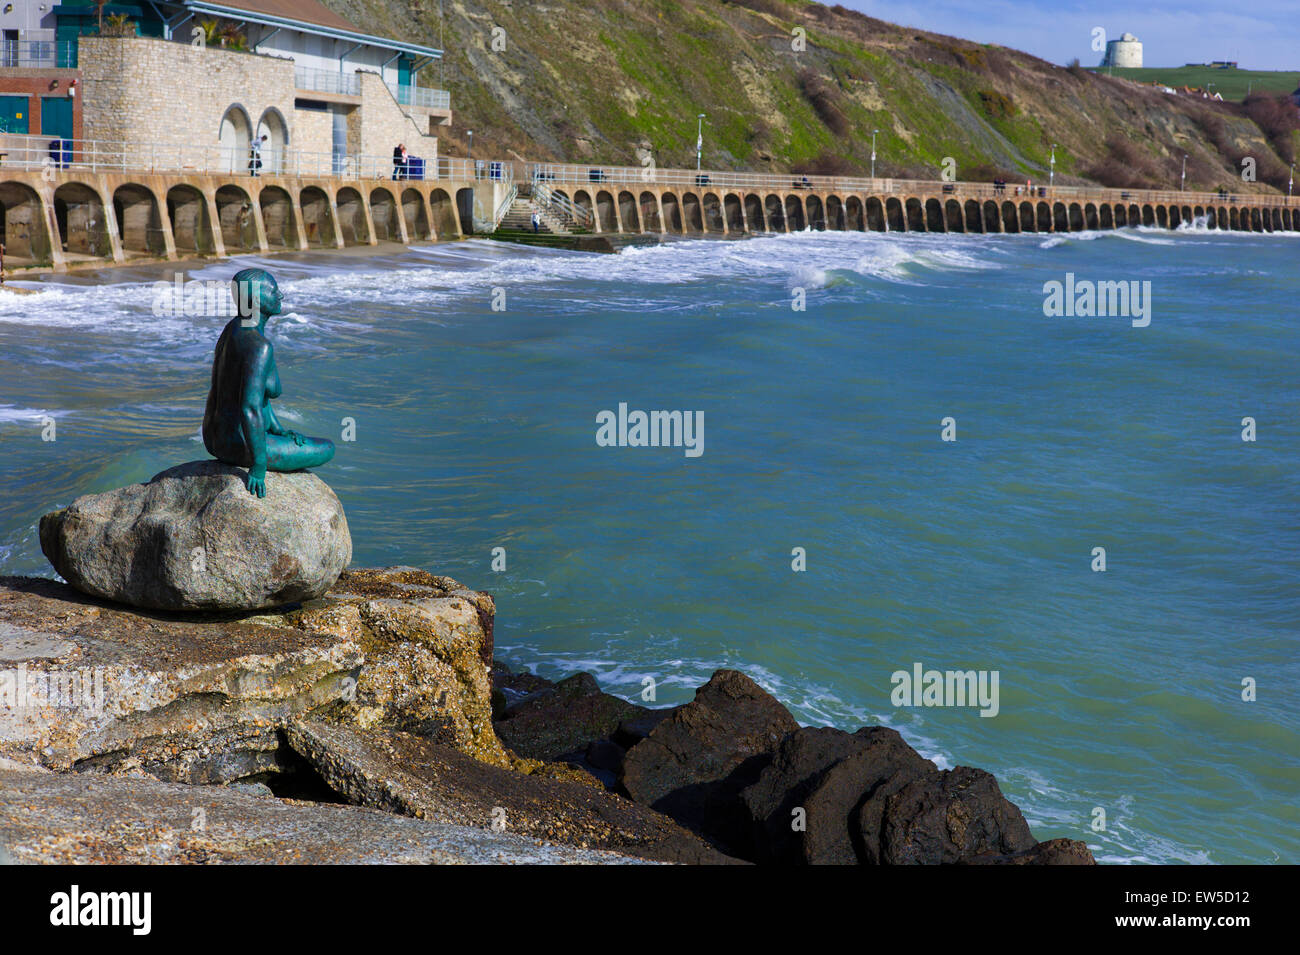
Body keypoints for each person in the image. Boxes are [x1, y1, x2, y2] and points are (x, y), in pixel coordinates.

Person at [202, 269, 335, 498]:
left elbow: (253, 395)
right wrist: (259, 466)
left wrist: (278, 430)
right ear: (256, 300)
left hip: (214, 439)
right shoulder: (259, 346)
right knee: (327, 448)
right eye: (273, 290)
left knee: (297, 440)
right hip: (237, 444)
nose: (280, 295)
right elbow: (250, 408)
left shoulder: (232, 329)